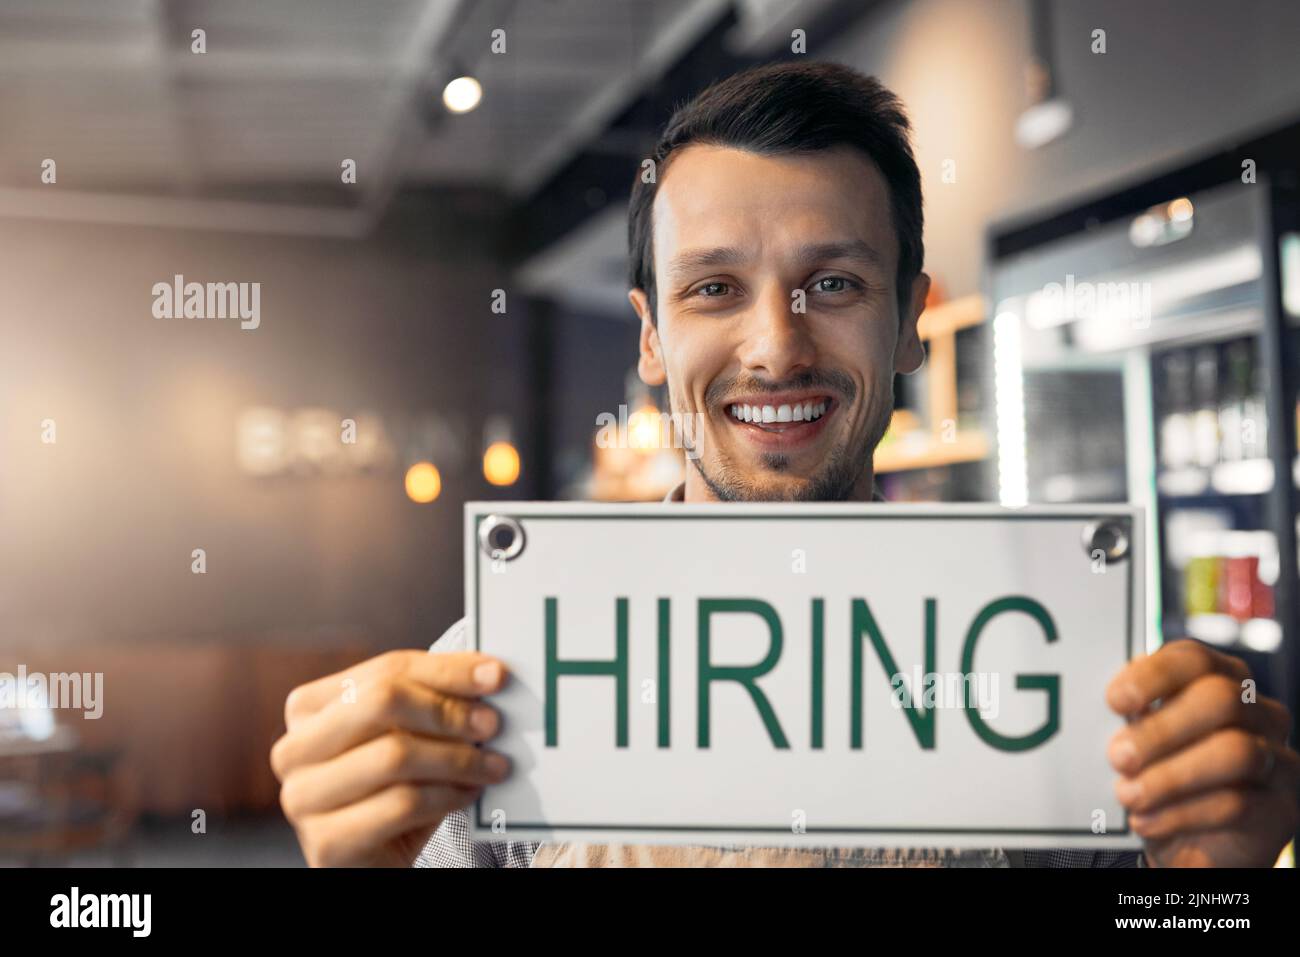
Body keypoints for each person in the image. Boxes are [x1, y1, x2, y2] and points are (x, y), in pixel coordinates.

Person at [270, 61, 1299, 868]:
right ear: (649, 340)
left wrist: (1211, 885)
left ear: (910, 319)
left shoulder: (1058, 656)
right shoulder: (502, 663)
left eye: (836, 283)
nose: (777, 346)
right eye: (713, 289)